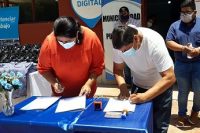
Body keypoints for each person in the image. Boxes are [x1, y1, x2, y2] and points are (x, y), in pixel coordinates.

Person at [112, 25, 176, 133]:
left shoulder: (154, 43)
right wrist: (123, 88)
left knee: (159, 127)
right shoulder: (120, 44)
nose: (123, 54)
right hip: (138, 86)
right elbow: (118, 71)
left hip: (160, 87)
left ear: (136, 38)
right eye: (121, 51)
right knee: (136, 123)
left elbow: (170, 77)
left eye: (126, 50)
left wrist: (145, 97)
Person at [37, 16, 104, 98]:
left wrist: (88, 84)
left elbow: (98, 67)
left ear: (77, 34)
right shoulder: (49, 42)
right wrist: (54, 83)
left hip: (86, 94)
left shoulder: (91, 38)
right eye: (60, 41)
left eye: (68, 41)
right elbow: (43, 69)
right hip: (61, 96)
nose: (64, 44)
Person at [166, 0, 200, 127]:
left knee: (199, 90)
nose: (184, 14)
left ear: (195, 12)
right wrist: (182, 48)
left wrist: (198, 50)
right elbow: (168, 42)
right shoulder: (175, 26)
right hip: (181, 64)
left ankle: (195, 111)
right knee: (182, 91)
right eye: (182, 12)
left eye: (187, 12)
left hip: (198, 64)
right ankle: (181, 114)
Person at [114, 6, 140, 89]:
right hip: (123, 47)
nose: (123, 15)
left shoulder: (135, 22)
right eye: (121, 14)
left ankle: (137, 82)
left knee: (136, 65)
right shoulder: (117, 23)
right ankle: (128, 82)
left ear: (128, 13)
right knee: (125, 66)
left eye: (124, 13)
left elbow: (138, 34)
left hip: (134, 47)